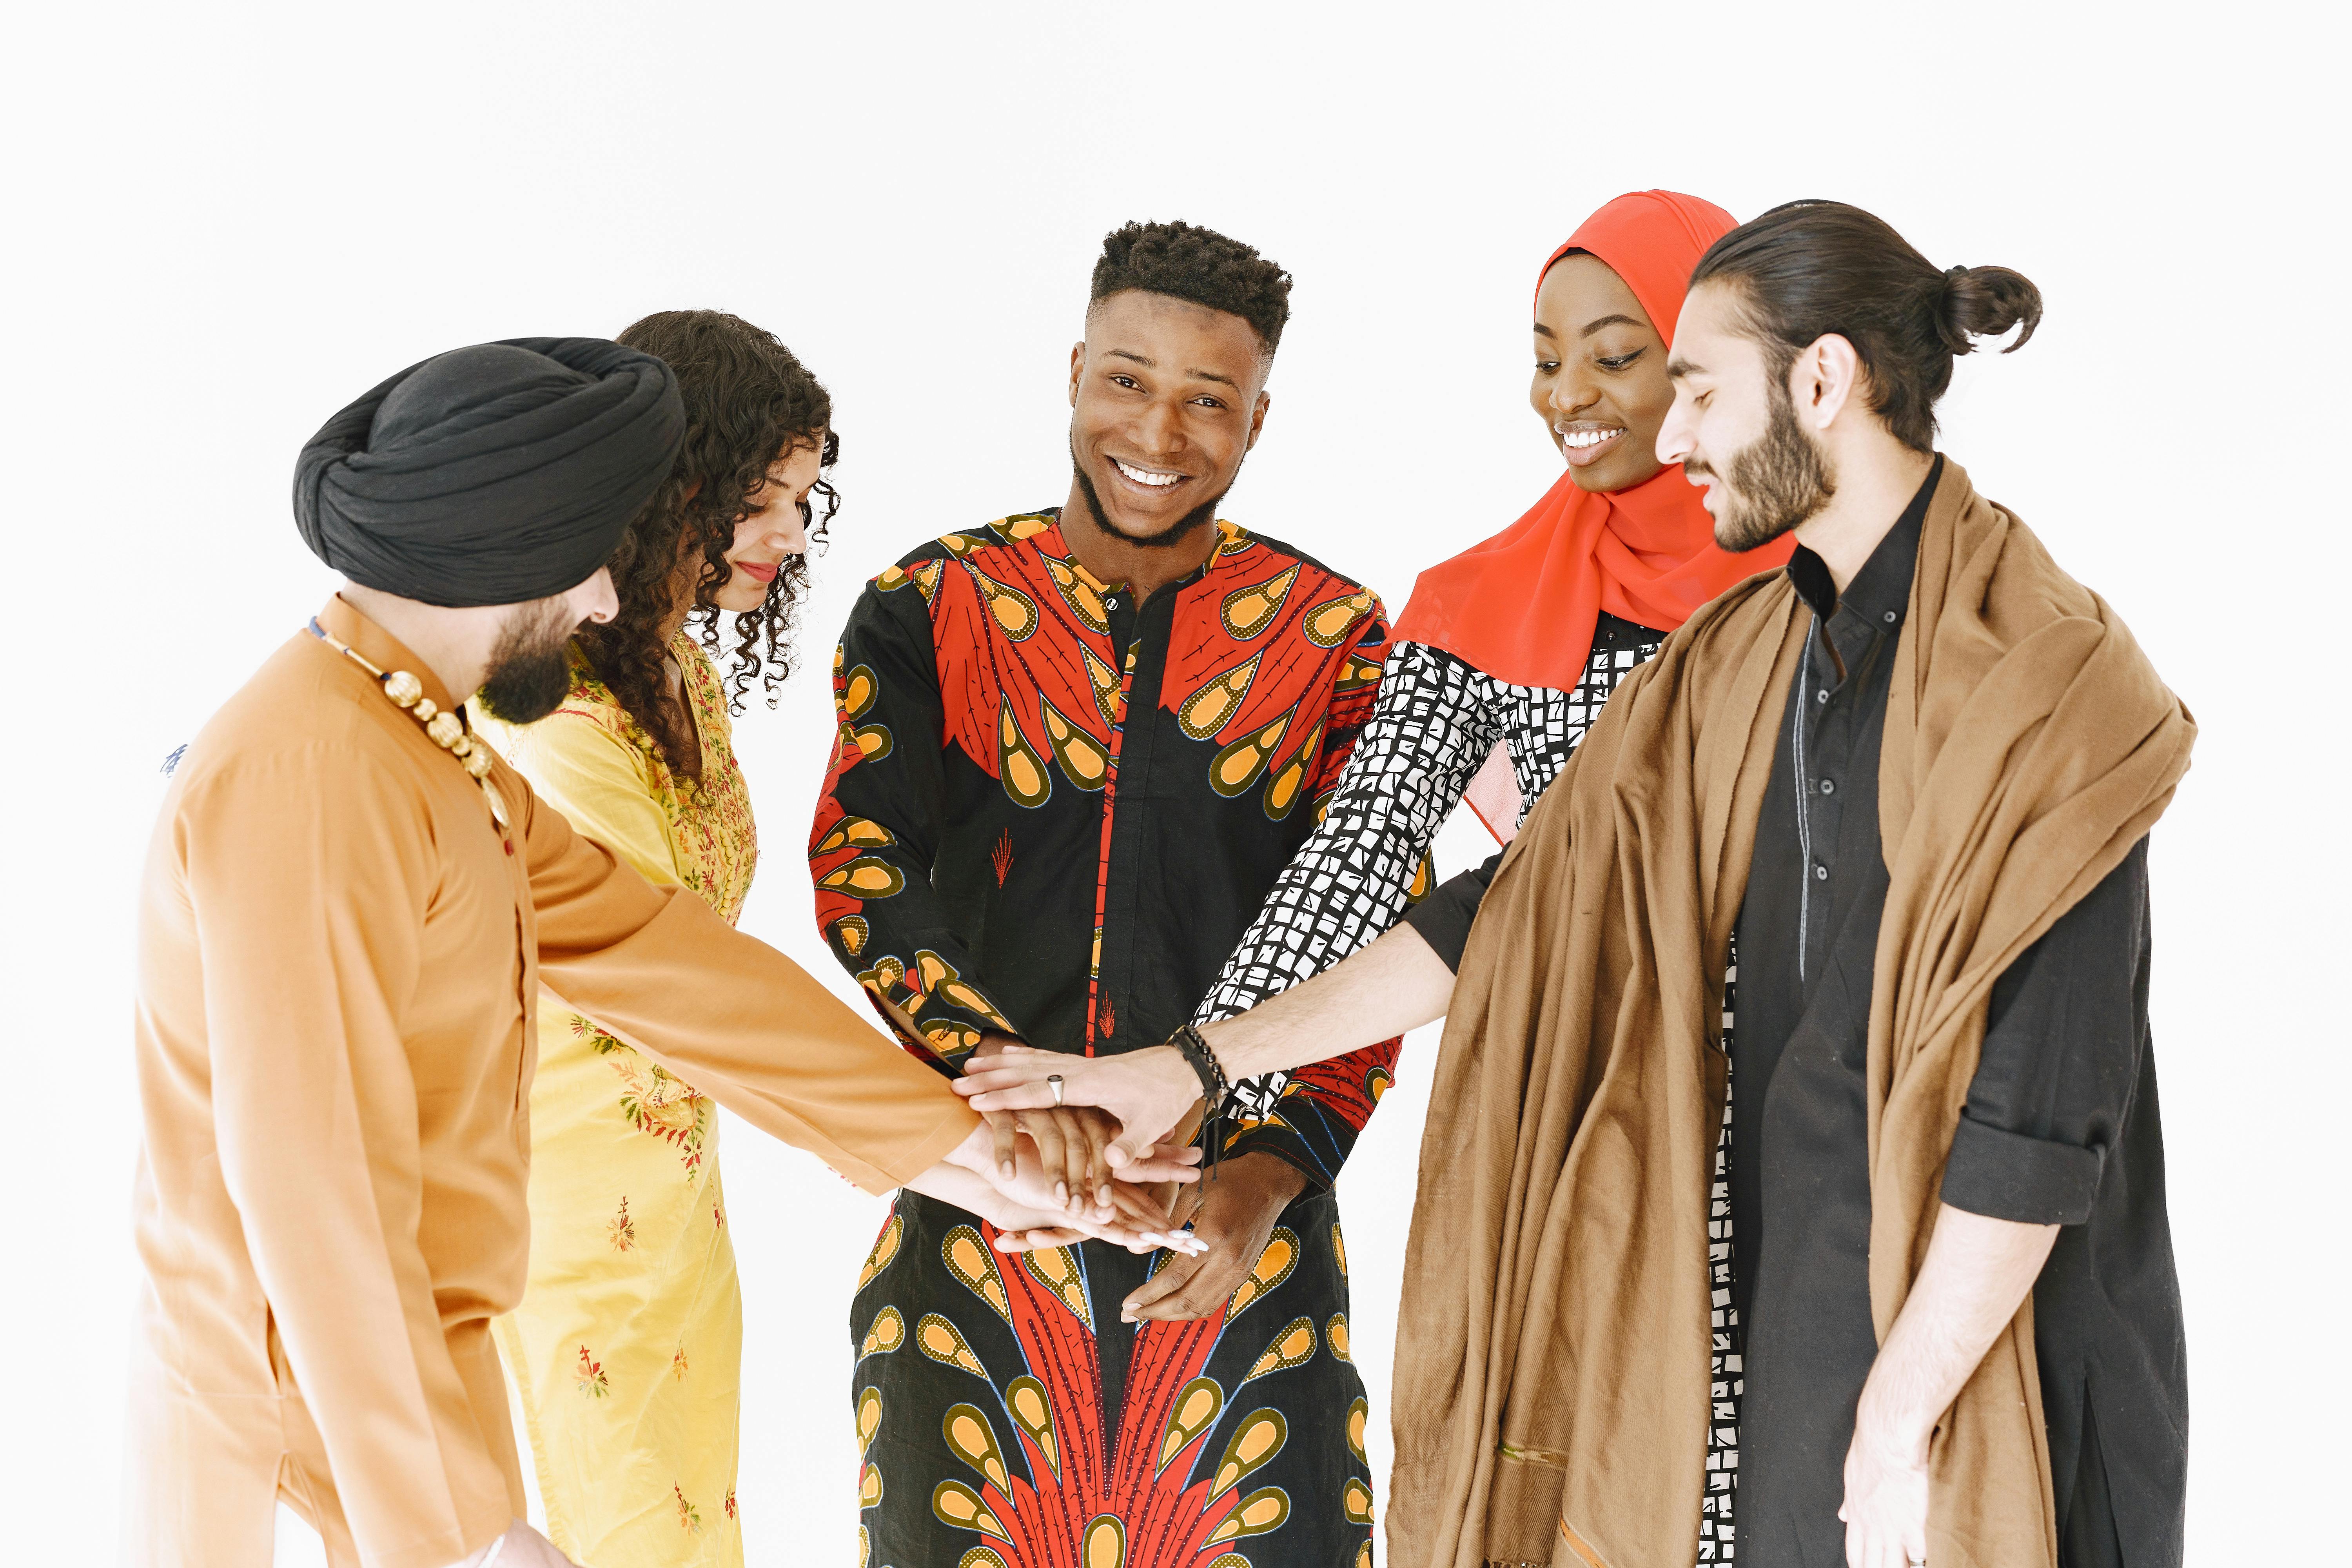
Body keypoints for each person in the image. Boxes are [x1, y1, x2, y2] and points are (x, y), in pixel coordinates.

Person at [961, 202, 2196, 1568]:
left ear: (1823, 381)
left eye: (1692, 386)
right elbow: (1509, 904)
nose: (1668, 434)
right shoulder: (1746, 656)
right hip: (1758, 1312)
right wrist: (1193, 1066)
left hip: (1989, 1364)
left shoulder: (2046, 682)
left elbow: (2037, 1118)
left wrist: (1902, 1422)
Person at [126, 337, 1191, 1568]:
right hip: (301, 1425)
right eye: (587, 561)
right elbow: (311, 1189)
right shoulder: (311, 771)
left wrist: (981, 1161)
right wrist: (465, 1535)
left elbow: (674, 970)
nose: (603, 601)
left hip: (413, 1395)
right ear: (505, 547)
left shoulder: (419, 747)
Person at [809, 220, 1394, 1567]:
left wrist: (1269, 1175)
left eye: (1210, 400)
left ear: (1259, 418)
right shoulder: (933, 603)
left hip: (1237, 1237)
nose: (1160, 432)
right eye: (1129, 381)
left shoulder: (1331, 636)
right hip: (982, 1217)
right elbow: (863, 868)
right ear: (1075, 372)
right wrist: (1019, 1096)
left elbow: (1373, 927)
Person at [467, 310, 836, 1568]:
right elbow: (671, 978)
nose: (791, 533)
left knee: (685, 1521)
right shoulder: (552, 719)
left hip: (677, 1196)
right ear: (674, 492)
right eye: (762, 499)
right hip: (562, 1202)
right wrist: (924, 1136)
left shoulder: (681, 676)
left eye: (805, 500)